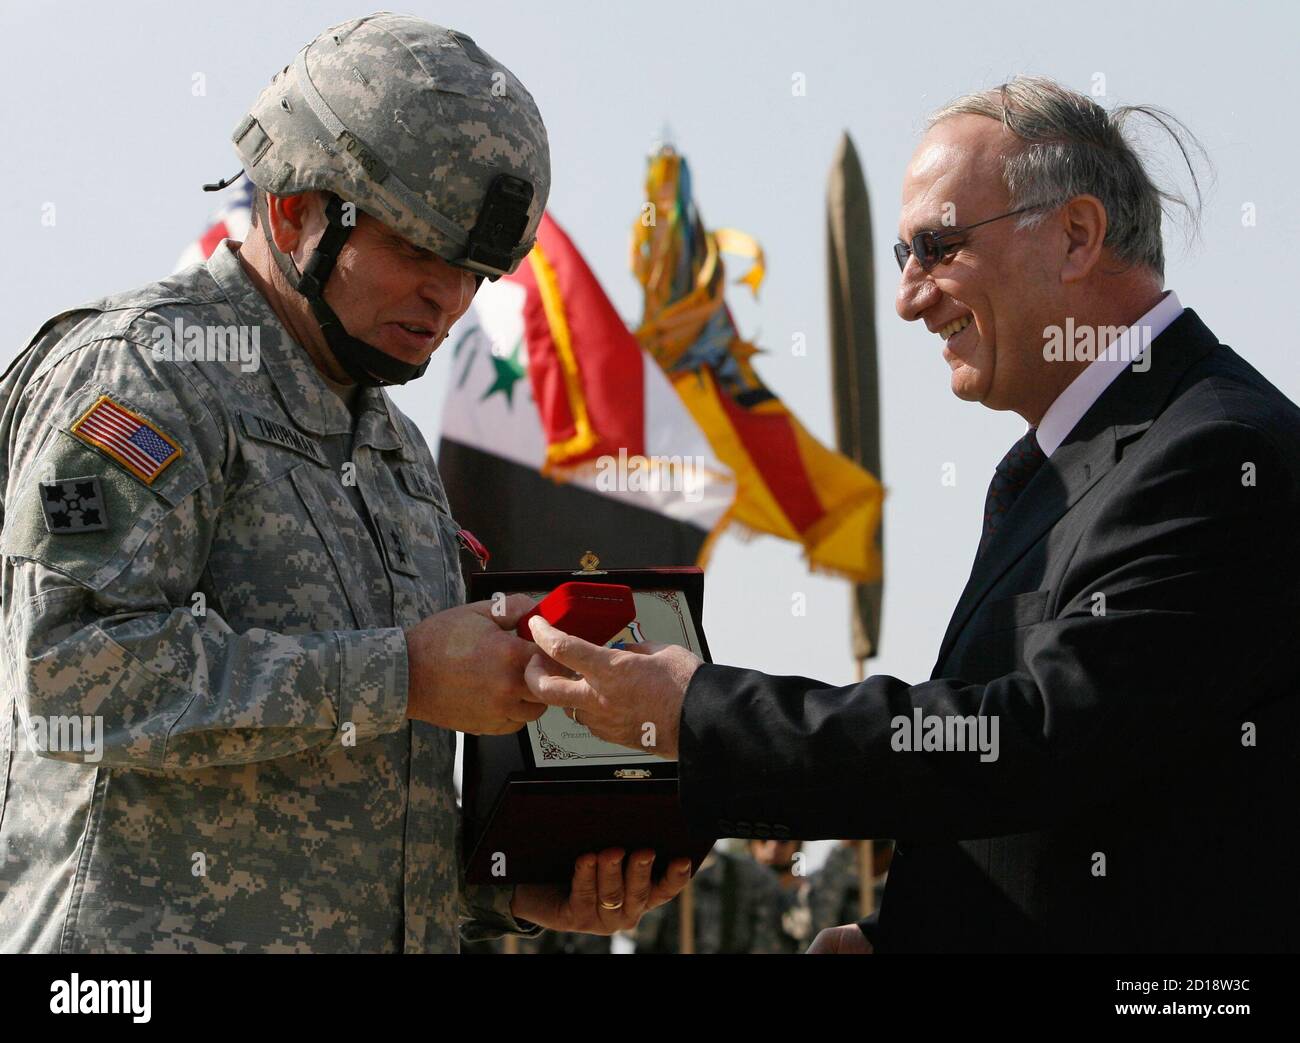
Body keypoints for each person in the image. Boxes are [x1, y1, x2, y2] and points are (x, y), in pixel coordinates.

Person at [522, 76, 1300, 953]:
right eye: (902, 258)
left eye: (938, 246)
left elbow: (1039, 741)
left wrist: (698, 711)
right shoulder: (1063, 464)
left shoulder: (1217, 453)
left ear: (1077, 234)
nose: (910, 296)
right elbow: (1081, 816)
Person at [0, 12, 687, 954]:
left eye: (475, 272)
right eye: (419, 251)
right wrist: (400, 672)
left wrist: (511, 889)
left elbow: (333, 811)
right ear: (296, 211)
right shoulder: (150, 375)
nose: (448, 300)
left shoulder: (397, 450)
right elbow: (69, 682)